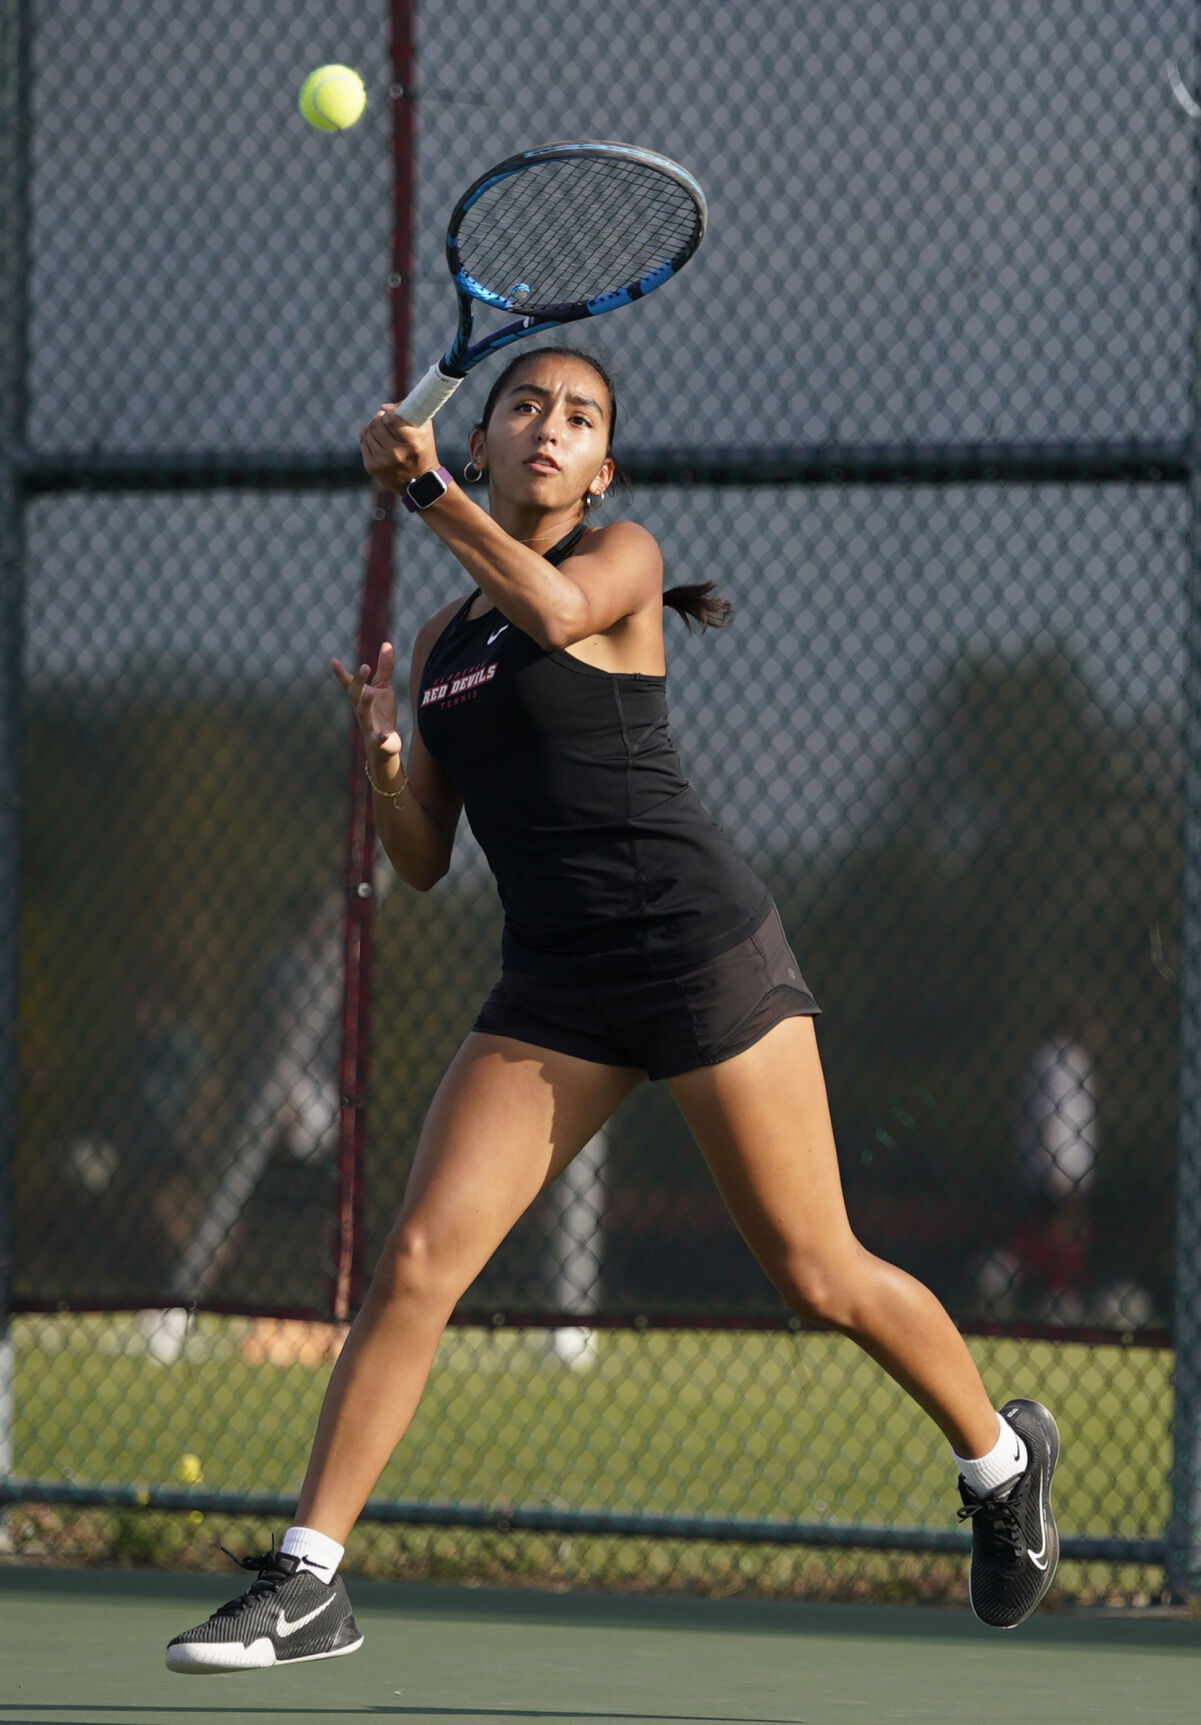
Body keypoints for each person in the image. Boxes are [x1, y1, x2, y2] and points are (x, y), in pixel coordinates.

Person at [165, 345, 1059, 1674]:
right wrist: (386, 764)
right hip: (554, 989)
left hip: (703, 956)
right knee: (417, 1260)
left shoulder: (617, 558)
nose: (548, 427)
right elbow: (422, 861)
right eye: (525, 405)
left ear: (601, 468)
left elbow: (553, 612)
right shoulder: (439, 642)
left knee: (817, 1273)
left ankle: (999, 1460)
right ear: (485, 438)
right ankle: (310, 1578)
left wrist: (422, 499)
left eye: (579, 418)